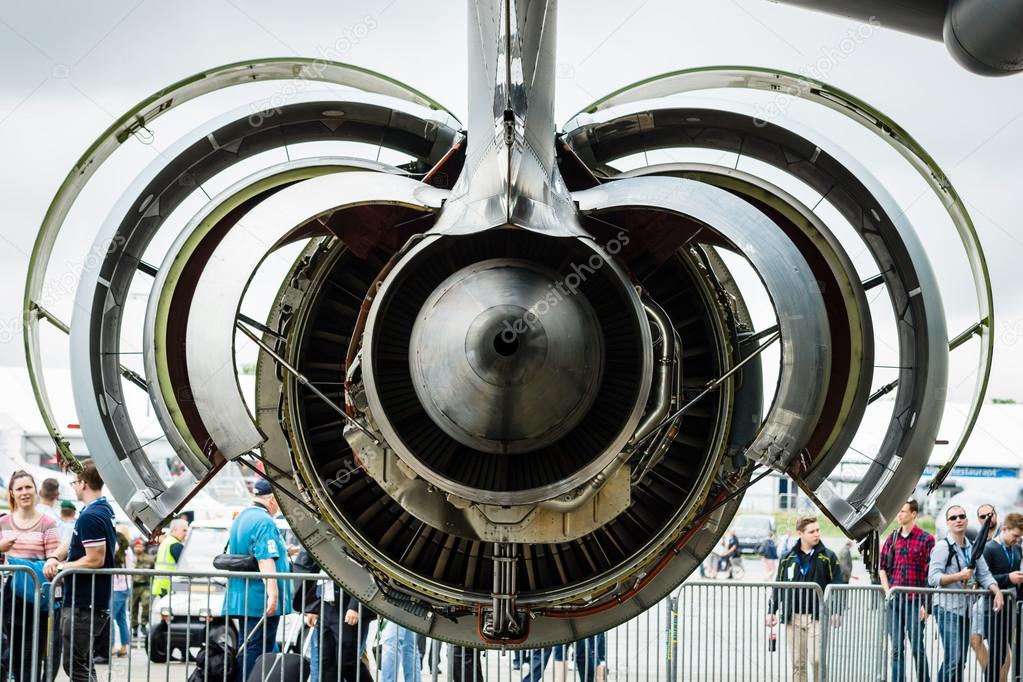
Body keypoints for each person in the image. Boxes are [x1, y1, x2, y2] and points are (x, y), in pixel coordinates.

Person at [43, 462, 117, 682]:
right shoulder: (98, 510)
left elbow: (95, 559)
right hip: (88, 602)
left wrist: (62, 567)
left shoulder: (91, 516)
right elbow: (74, 540)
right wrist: (55, 556)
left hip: (84, 604)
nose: (74, 486)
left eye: (75, 482)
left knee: (75, 666)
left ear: (83, 483)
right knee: (83, 663)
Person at [223, 477, 291, 681]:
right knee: (257, 649)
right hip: (259, 599)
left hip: (244, 597)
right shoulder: (265, 521)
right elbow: (264, 557)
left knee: (257, 645)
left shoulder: (242, 517)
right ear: (272, 500)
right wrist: (273, 594)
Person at [928, 504, 1004, 682]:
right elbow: (933, 578)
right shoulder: (942, 546)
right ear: (948, 523)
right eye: (953, 518)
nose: (958, 520)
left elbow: (985, 575)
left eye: (961, 516)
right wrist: (959, 576)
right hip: (947, 609)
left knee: (960, 660)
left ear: (967, 520)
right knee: (954, 659)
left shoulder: (972, 548)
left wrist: (997, 591)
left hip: (966, 610)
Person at [765, 515, 845, 682]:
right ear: (800, 533)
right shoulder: (787, 557)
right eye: (812, 531)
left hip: (817, 617)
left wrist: (837, 611)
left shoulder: (828, 557)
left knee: (816, 660)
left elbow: (839, 585)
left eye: (818, 530)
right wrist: (772, 611)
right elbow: (778, 584)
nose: (817, 534)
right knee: (797, 663)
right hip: (792, 618)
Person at [0, 470, 61, 682]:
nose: (24, 492)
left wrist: (52, 562)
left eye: (28, 487)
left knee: (32, 651)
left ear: (35, 490)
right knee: (14, 650)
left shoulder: (48, 523)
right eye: (19, 488)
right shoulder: (3, 522)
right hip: (10, 598)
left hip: (37, 597)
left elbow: (54, 558)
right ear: (12, 493)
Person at [879, 499, 935, 682]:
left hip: (915, 601)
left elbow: (930, 576)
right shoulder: (892, 538)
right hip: (895, 601)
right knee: (896, 648)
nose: (899, 514)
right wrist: (889, 592)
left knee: (917, 647)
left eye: (903, 511)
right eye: (899, 511)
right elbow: (882, 568)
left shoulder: (927, 539)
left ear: (913, 514)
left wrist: (926, 605)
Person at [983, 512, 1023, 682]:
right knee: (997, 655)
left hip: (1013, 609)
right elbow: (983, 578)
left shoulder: (1017, 549)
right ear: (1004, 529)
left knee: (1019, 653)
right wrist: (1008, 578)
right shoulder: (989, 548)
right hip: (994, 610)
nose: (1017, 540)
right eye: (1015, 536)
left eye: (1020, 537)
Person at [972, 504, 1001, 670]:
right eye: (983, 517)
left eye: (990, 515)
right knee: (975, 640)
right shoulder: (978, 540)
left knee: (1001, 647)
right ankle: (992, 676)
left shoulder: (1003, 536)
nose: (987, 519)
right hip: (982, 598)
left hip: (1002, 596)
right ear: (978, 520)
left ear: (996, 515)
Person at [109, 529, 134, 658]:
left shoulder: (118, 551)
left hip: (117, 588)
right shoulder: (128, 551)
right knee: (121, 618)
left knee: (110, 617)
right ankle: (124, 647)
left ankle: (112, 646)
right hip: (125, 587)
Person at [151, 517, 188, 598]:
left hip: (161, 585)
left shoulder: (167, 542)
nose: (186, 534)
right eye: (184, 530)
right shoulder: (175, 545)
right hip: (169, 587)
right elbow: (186, 567)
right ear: (174, 530)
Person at [130, 538, 154, 637]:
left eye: (140, 546)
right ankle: (134, 627)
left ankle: (144, 624)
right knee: (133, 607)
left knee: (146, 605)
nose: (138, 548)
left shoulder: (149, 559)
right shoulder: (131, 558)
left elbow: (153, 569)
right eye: (136, 546)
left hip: (145, 585)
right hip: (133, 586)